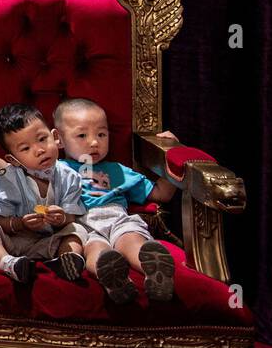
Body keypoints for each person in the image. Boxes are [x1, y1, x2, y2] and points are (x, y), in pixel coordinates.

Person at [52, 98, 179, 303]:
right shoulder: (55, 170)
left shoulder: (119, 170)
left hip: (119, 218)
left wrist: (172, 156)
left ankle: (155, 272)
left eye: (101, 134)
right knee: (95, 250)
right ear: (58, 139)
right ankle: (113, 278)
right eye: (82, 135)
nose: (94, 142)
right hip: (84, 224)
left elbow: (162, 194)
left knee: (132, 240)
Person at [0, 105, 88, 283]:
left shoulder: (70, 177)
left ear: (55, 137)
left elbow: (71, 217)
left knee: (78, 229)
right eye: (25, 148)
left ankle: (66, 261)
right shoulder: (2, 181)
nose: (39, 150)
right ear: (12, 160)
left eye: (42, 139)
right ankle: (8, 263)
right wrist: (19, 224)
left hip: (51, 241)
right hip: (14, 242)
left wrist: (62, 218)